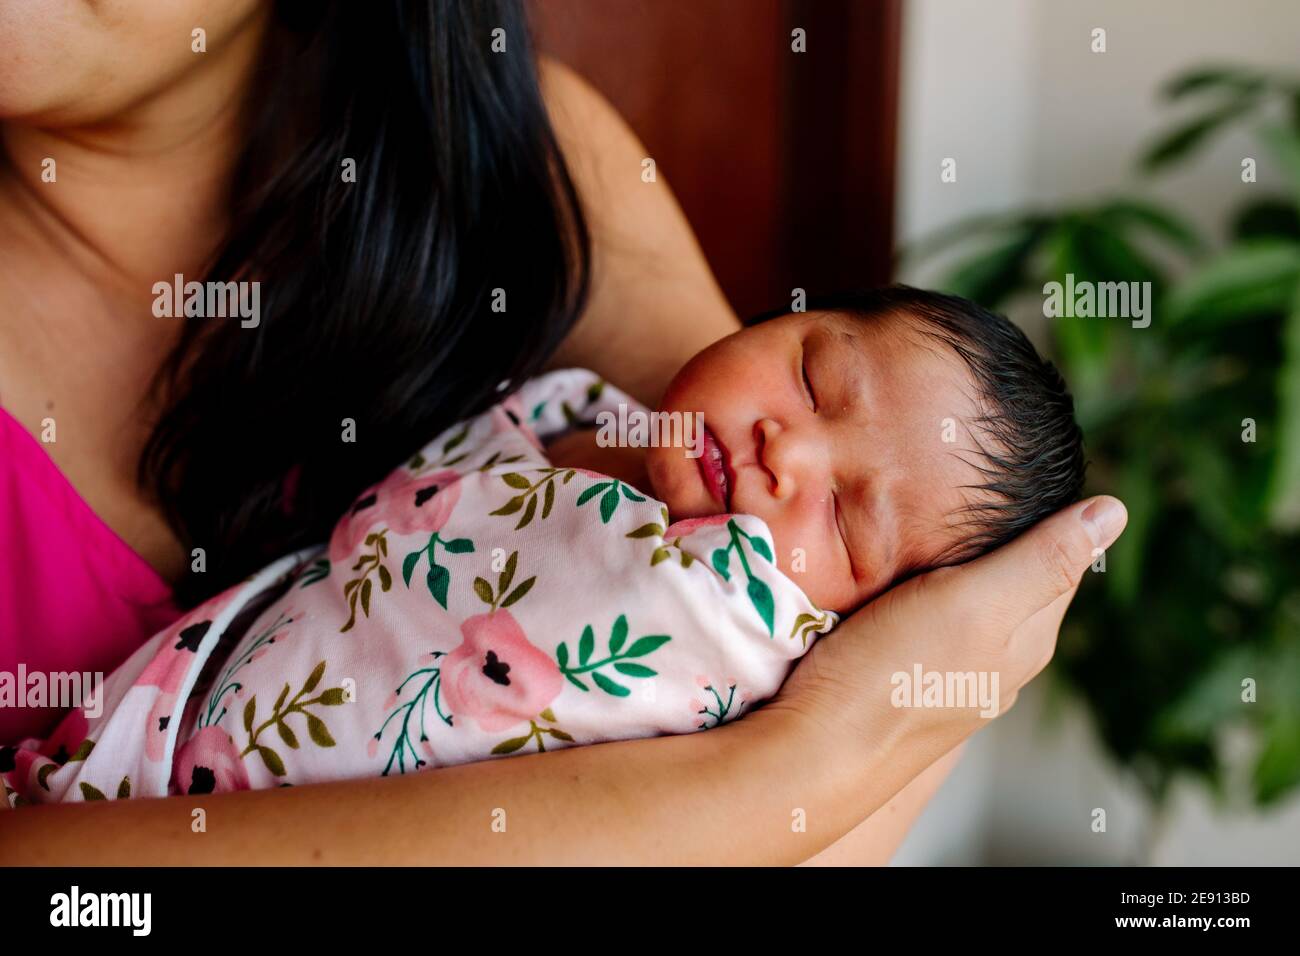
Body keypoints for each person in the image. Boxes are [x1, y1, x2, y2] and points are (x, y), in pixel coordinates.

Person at [0, 0, 1127, 863]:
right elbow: (841, 770)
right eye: (808, 375)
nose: (788, 451)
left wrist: (808, 761)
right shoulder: (594, 426)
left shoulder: (513, 162)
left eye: (844, 516)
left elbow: (868, 765)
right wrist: (794, 763)